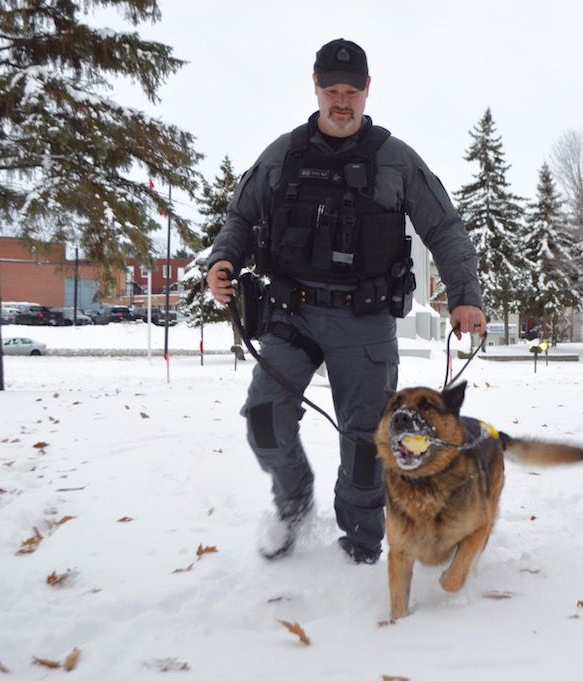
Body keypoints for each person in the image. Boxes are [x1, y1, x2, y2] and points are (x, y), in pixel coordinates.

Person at [206, 38, 486, 564]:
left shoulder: (394, 159)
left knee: (365, 444)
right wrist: (223, 259)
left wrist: (465, 297)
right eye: (332, 90)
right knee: (264, 420)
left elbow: (445, 229)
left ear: (367, 90)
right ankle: (293, 503)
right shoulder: (284, 154)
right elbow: (241, 217)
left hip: (364, 319)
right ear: (315, 86)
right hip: (292, 314)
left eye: (351, 92)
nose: (341, 101)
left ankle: (359, 542)